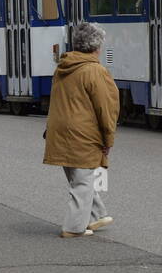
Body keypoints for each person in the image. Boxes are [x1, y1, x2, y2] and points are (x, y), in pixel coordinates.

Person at [44, 22, 118, 238]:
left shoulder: (63, 67)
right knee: (83, 181)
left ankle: (97, 215)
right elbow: (106, 108)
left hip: (59, 131)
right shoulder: (95, 71)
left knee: (80, 177)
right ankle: (74, 228)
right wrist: (108, 139)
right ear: (97, 47)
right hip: (82, 134)